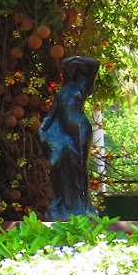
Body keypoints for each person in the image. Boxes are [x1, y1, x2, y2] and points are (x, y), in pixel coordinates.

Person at [39, 55, 101, 221]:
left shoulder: (82, 86)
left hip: (80, 130)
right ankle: (62, 201)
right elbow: (53, 113)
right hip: (62, 133)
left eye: (73, 68)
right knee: (57, 164)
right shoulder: (61, 91)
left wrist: (73, 59)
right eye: (67, 68)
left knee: (79, 166)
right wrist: (44, 128)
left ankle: (82, 204)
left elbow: (95, 64)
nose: (70, 70)